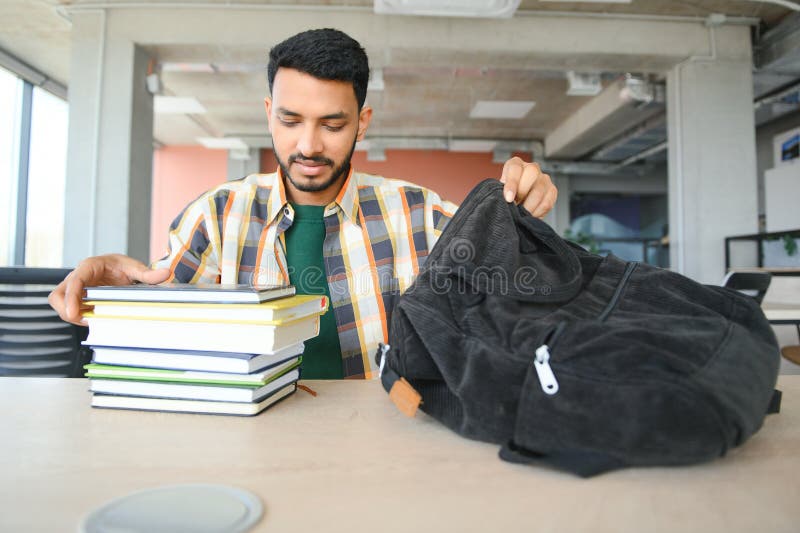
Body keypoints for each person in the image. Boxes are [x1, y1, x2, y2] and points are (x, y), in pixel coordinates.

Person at [49, 28, 557, 379]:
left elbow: (512, 284)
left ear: (363, 121)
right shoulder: (216, 216)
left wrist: (525, 210)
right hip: (249, 444)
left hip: (385, 445)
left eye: (333, 125)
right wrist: (115, 295)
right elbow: (165, 318)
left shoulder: (419, 215)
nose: (309, 145)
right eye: (290, 121)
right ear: (269, 113)